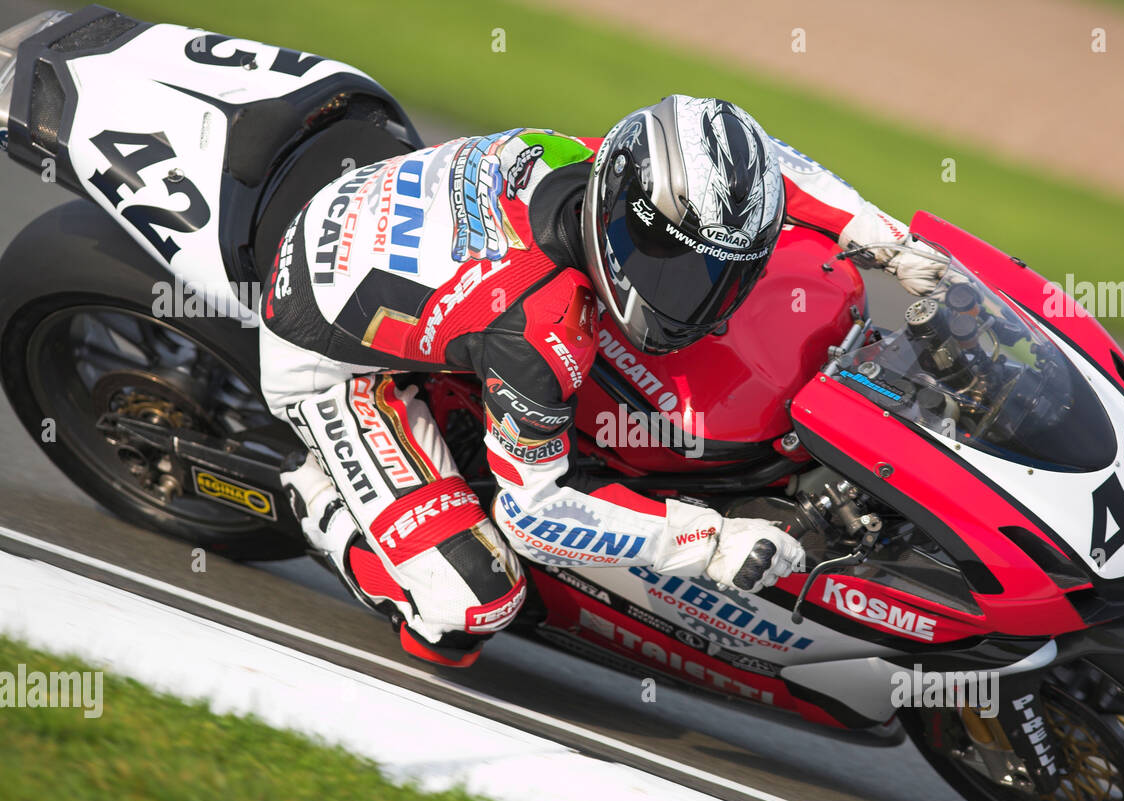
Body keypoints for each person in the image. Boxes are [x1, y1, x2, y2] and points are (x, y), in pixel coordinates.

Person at [257, 94, 942, 667]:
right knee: (470, 606)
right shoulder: (540, 328)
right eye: (675, 265)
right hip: (333, 361)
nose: (702, 298)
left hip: (376, 235)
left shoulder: (610, 159)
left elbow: (767, 171)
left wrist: (887, 239)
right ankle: (316, 501)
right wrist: (708, 542)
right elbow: (536, 517)